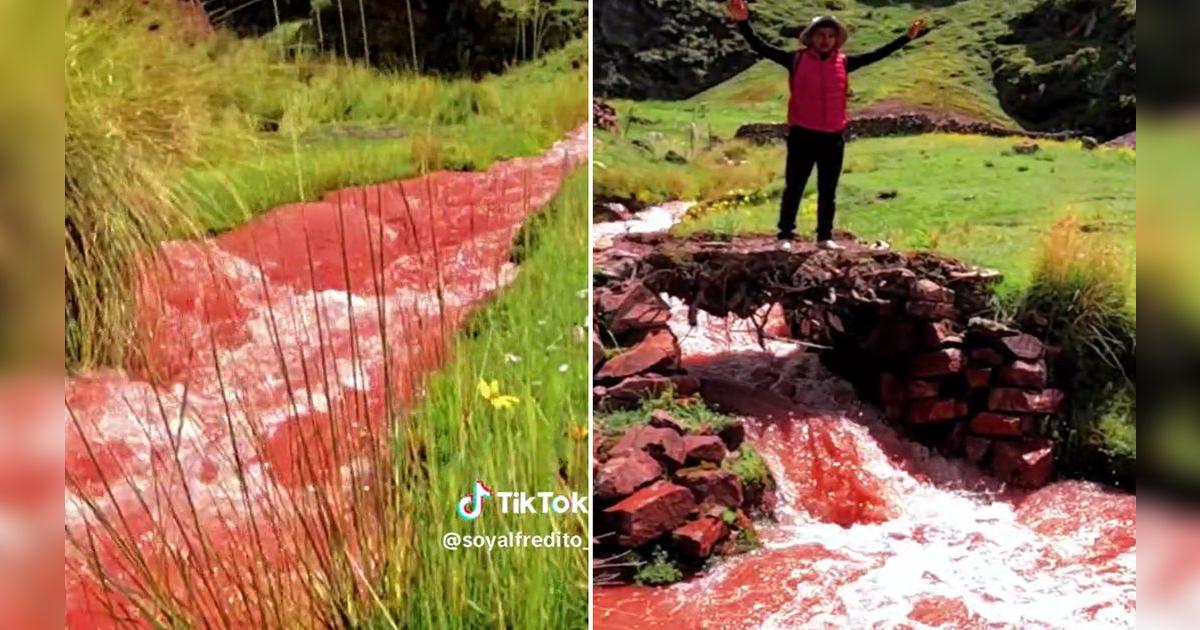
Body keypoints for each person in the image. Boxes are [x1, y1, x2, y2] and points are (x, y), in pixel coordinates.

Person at [726, 0, 931, 249]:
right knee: (795, 186)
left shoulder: (844, 63)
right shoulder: (796, 60)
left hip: (833, 136)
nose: (825, 40)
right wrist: (743, 22)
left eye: (831, 36)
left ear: (837, 40)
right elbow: (760, 46)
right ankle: (785, 236)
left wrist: (906, 38)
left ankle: (825, 237)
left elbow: (877, 55)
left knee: (828, 190)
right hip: (803, 133)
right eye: (820, 35)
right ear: (810, 38)